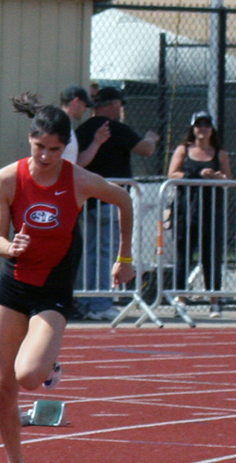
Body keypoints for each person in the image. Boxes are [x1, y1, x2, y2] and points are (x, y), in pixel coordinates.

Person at [0, 93, 134, 463]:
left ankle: (49, 365)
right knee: (2, 386)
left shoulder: (78, 180)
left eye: (55, 149)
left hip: (53, 289)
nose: (47, 157)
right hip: (13, 286)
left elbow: (124, 200)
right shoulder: (8, 179)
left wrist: (124, 258)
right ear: (29, 142)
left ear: (65, 146)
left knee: (28, 377)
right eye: (40, 148)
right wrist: (8, 247)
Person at [72, 86, 156, 320]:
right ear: (113, 104)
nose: (120, 110)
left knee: (90, 254)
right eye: (118, 104)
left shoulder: (83, 129)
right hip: (109, 202)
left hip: (87, 202)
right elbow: (146, 149)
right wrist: (151, 137)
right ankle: (99, 304)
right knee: (105, 254)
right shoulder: (112, 128)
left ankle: (88, 301)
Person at [167, 111, 231, 314]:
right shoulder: (183, 150)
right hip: (187, 209)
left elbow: (229, 178)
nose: (202, 129)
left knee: (211, 257)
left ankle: (214, 302)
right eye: (198, 125)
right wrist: (196, 174)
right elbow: (172, 173)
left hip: (211, 211)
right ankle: (181, 300)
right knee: (183, 256)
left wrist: (219, 177)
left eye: (206, 125)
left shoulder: (219, 152)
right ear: (192, 129)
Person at [58, 85, 91, 163]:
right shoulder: (60, 125)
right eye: (85, 105)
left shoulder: (65, 125)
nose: (85, 110)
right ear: (76, 102)